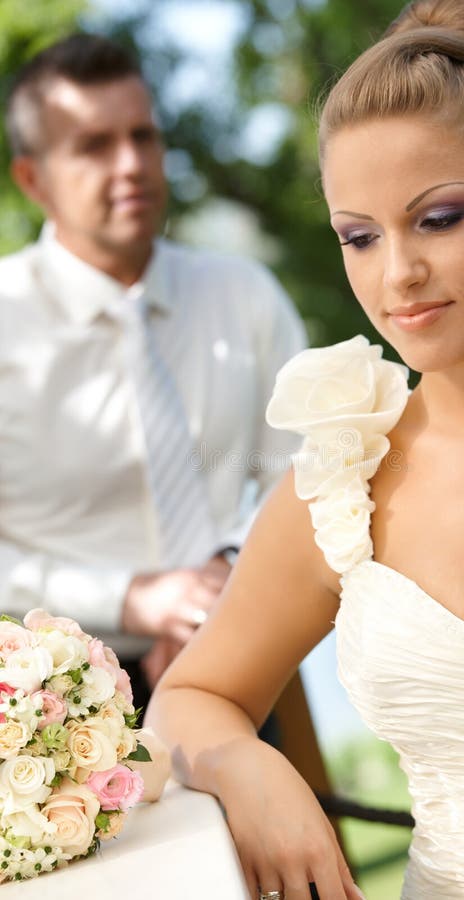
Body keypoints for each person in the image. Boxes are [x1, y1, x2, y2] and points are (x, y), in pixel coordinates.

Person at [149, 1, 464, 897]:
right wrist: (251, 771)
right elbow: (190, 700)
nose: (396, 275)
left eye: (438, 218)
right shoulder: (345, 478)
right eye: (358, 236)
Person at [0, 34, 305, 710]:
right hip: (50, 711)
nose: (132, 163)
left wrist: (226, 573)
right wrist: (133, 601)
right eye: (93, 145)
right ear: (32, 179)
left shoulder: (243, 294)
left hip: (249, 656)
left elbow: (305, 464)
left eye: (143, 136)